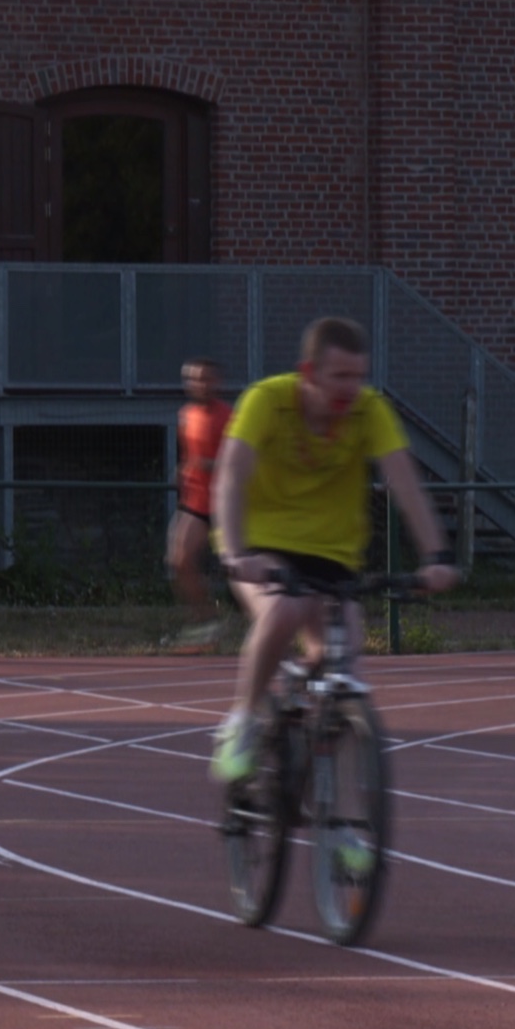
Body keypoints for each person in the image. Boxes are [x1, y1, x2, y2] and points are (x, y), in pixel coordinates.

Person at [208, 317, 460, 782]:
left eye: (358, 376)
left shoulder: (369, 411)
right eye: (340, 377)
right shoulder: (267, 400)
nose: (351, 388)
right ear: (309, 372)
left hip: (333, 555)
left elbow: (404, 481)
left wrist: (436, 556)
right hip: (263, 546)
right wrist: (236, 552)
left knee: (345, 667)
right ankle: (242, 720)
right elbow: (232, 474)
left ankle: (344, 822)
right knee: (283, 612)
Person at [164, 358, 232, 652]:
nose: (197, 385)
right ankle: (207, 624)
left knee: (246, 574)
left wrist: (208, 463)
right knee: (177, 562)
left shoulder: (228, 416)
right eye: (191, 379)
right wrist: (182, 471)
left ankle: (281, 629)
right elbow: (190, 454)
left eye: (204, 379)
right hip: (194, 502)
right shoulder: (186, 415)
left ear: (216, 382)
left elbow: (239, 462)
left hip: (225, 504)